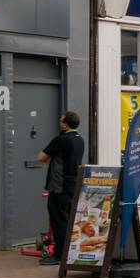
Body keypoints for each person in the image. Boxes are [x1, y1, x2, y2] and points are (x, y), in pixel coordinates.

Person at [37, 111, 85, 266]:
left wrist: (51, 161)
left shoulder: (61, 139)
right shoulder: (80, 139)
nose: (59, 122)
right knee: (69, 218)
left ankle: (59, 255)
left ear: (65, 124)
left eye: (61, 120)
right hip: (73, 184)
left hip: (59, 186)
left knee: (58, 220)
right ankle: (71, 251)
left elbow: (41, 157)